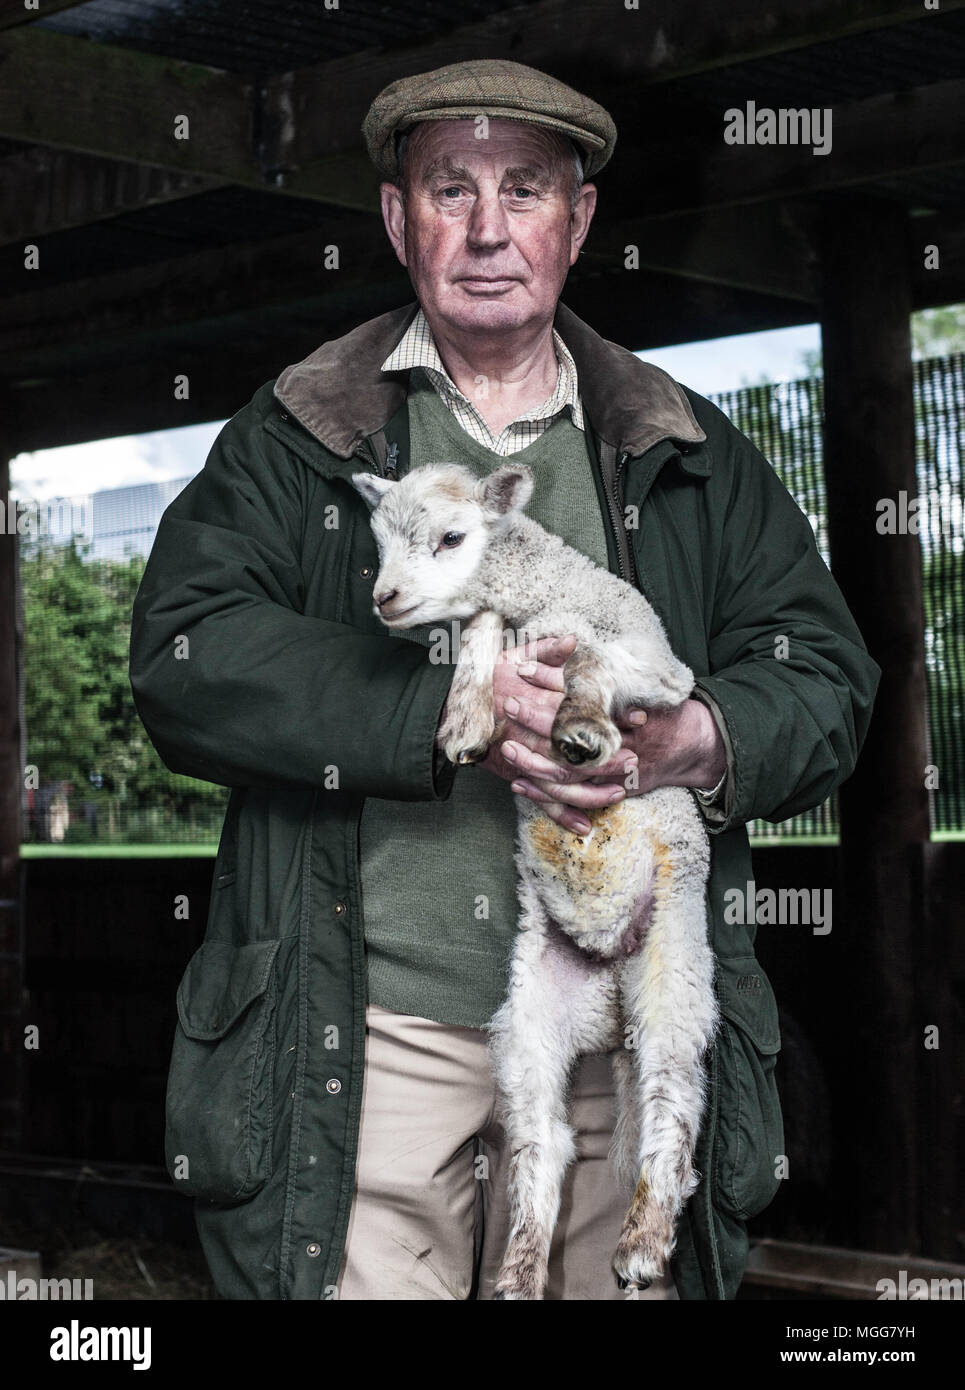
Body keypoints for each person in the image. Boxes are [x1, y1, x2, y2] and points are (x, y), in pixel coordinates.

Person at [129, 59, 879, 1301]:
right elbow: (184, 651)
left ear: (576, 225)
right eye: (449, 190)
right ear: (394, 218)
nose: (486, 230)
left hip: (610, 1033)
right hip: (364, 1048)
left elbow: (827, 675)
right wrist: (444, 711)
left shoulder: (681, 443)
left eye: (524, 191)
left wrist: (693, 733)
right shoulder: (299, 431)